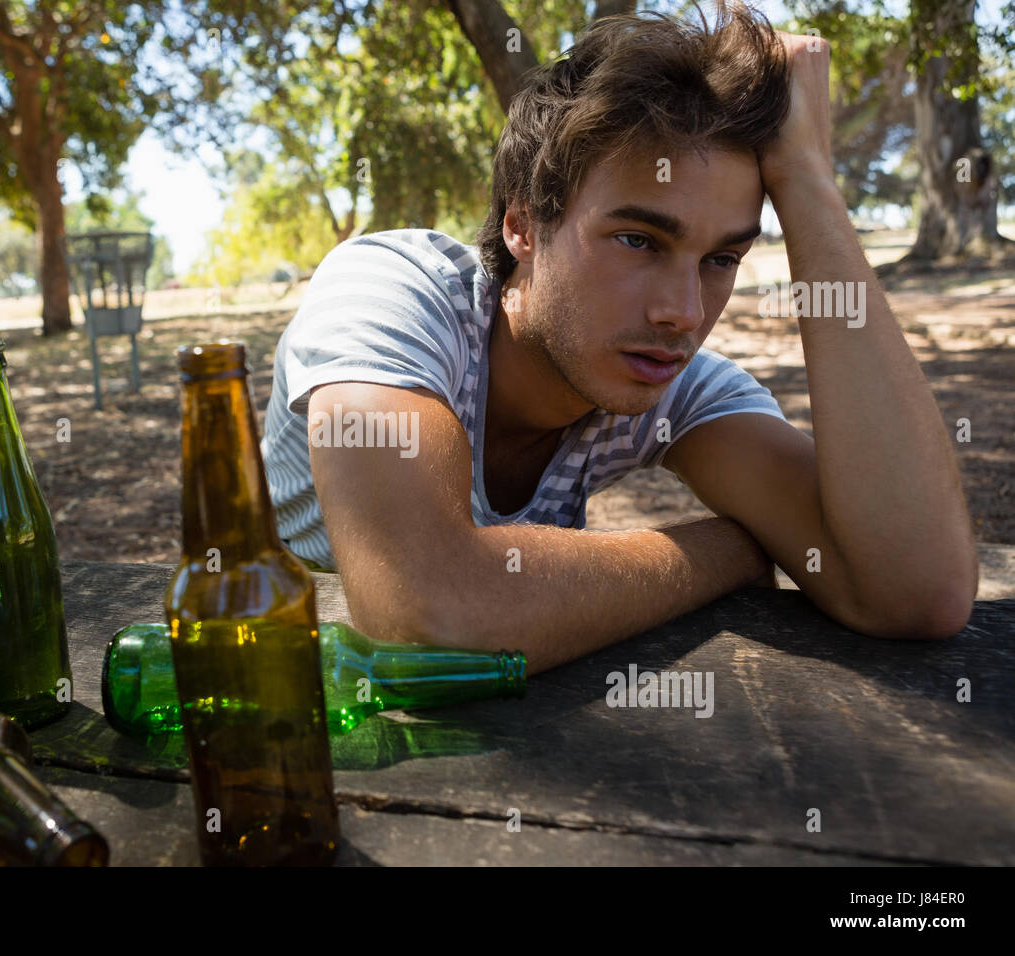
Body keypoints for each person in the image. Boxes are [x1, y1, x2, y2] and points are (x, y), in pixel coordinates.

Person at [259, 1, 977, 674]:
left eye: (721, 258)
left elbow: (917, 590)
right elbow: (427, 611)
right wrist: (731, 545)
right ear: (523, 226)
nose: (683, 313)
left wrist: (808, 179)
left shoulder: (675, 384)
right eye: (638, 239)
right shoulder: (390, 292)